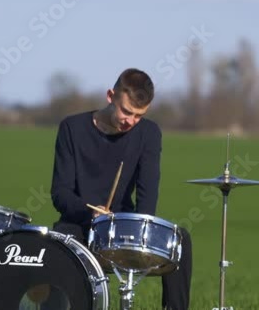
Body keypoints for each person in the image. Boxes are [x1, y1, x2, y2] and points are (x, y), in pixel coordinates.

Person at [50, 68, 192, 310]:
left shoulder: (148, 133)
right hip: (78, 224)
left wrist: (140, 227)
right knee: (56, 249)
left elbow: (147, 194)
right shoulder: (71, 128)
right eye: (126, 111)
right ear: (110, 96)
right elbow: (60, 193)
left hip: (123, 227)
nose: (131, 121)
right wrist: (90, 212)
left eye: (139, 115)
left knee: (180, 239)